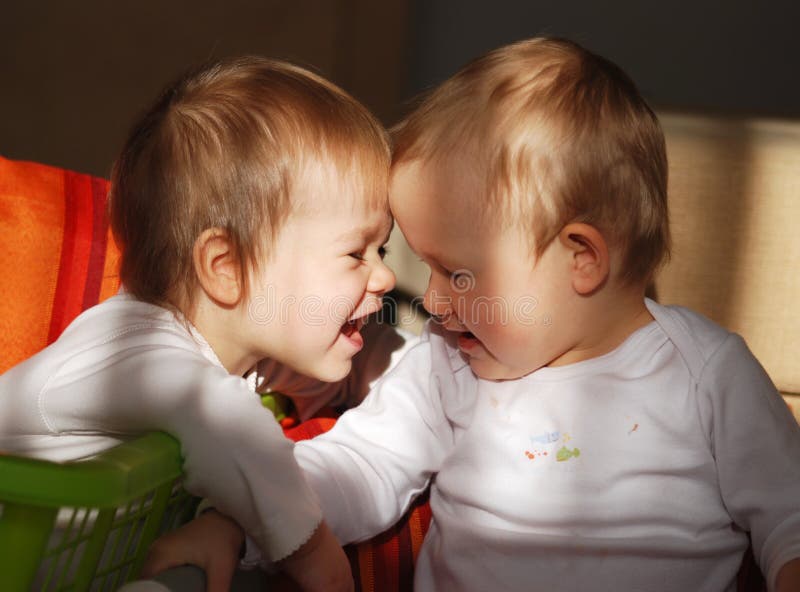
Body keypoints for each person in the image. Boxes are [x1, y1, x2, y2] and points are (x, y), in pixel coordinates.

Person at [144, 38, 800, 591]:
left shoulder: (707, 374)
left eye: (457, 272)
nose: (431, 301)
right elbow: (358, 464)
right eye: (425, 266)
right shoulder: (447, 364)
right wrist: (242, 523)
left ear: (581, 259)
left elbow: (790, 521)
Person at [0, 55, 401, 592]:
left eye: (382, 249)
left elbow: (361, 366)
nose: (386, 276)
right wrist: (315, 556)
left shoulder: (241, 355)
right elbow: (229, 423)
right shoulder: (135, 351)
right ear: (226, 267)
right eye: (356, 253)